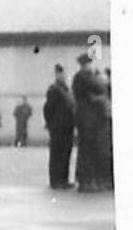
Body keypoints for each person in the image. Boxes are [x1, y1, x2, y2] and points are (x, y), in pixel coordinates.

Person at [73, 54, 112, 193]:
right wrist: (99, 80)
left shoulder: (84, 77)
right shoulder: (83, 77)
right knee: (87, 150)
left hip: (89, 119)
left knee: (89, 150)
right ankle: (86, 181)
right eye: (90, 64)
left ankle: (88, 180)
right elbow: (100, 87)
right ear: (86, 64)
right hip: (87, 119)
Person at [43, 64, 75, 189]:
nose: (63, 76)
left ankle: (64, 179)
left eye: (63, 74)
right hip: (58, 127)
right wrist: (51, 123)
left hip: (67, 126)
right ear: (56, 75)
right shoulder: (54, 89)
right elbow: (48, 108)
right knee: (57, 154)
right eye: (60, 74)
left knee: (65, 153)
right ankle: (56, 180)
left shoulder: (65, 89)